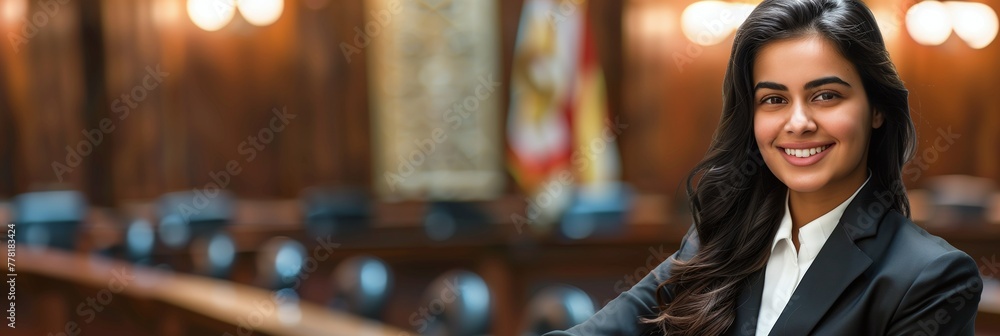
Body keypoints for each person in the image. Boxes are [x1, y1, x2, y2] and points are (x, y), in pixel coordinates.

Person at [545, 0, 983, 335]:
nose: (798, 123)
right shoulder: (718, 243)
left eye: (826, 95)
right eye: (774, 100)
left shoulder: (932, 277)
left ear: (876, 109)